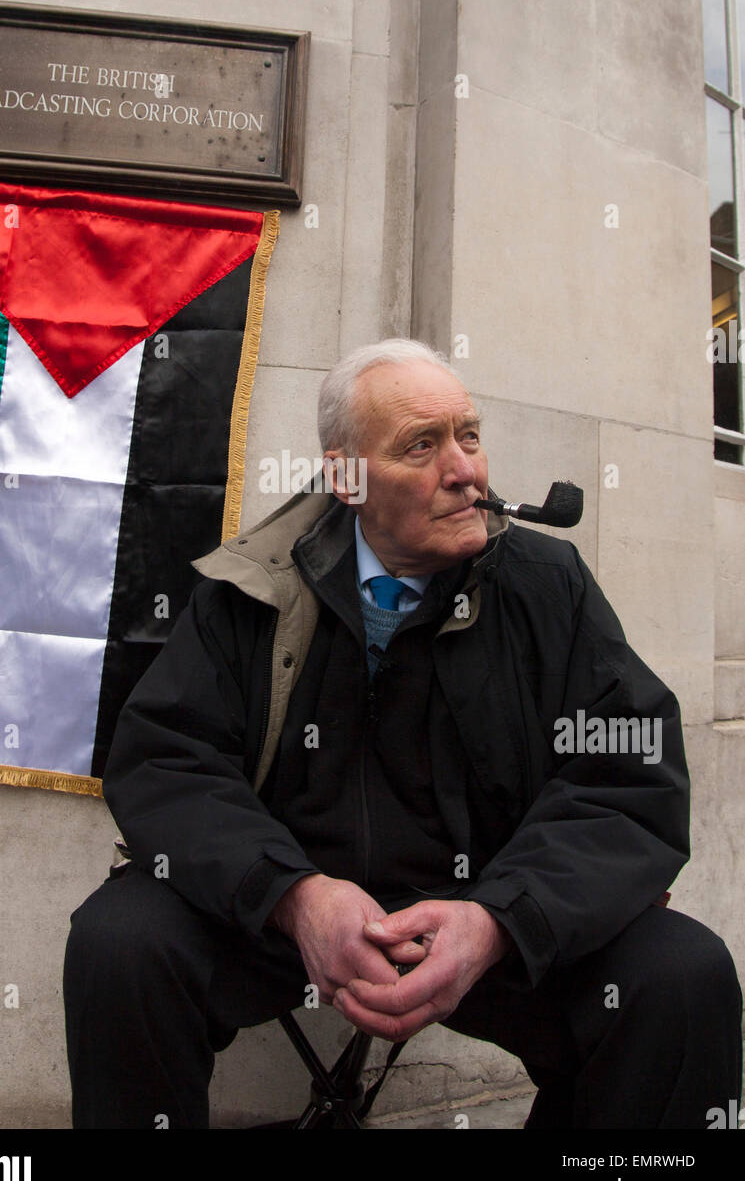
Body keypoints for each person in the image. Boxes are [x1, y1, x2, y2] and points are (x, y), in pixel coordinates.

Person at [63, 339, 743, 1129]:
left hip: (488, 916)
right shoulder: (251, 587)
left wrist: (496, 922)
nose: (465, 470)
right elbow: (166, 762)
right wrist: (293, 897)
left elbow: (625, 776)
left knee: (680, 975)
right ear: (346, 478)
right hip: (287, 918)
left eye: (470, 436)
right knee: (121, 944)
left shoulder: (546, 586)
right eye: (422, 445)